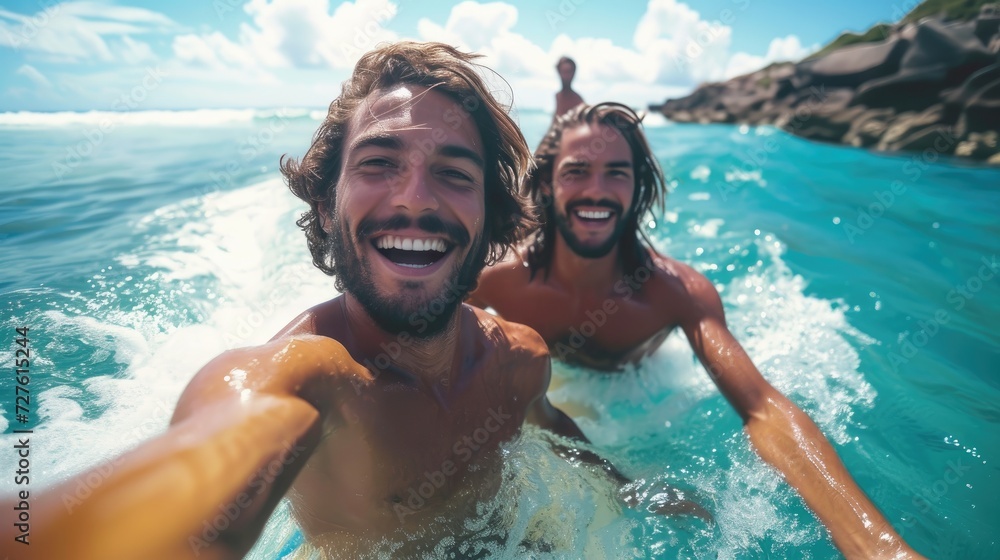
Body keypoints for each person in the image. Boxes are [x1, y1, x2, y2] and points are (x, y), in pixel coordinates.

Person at [0, 45, 688, 560]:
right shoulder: (309, 380)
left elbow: (546, 419)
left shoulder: (520, 358)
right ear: (326, 208)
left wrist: (629, 484)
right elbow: (205, 476)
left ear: (493, 222)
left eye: (452, 173)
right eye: (378, 162)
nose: (415, 197)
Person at [468, 102, 925, 559]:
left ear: (638, 186)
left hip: (646, 388)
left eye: (617, 173)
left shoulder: (676, 293)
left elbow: (762, 407)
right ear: (546, 183)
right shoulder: (498, 280)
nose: (596, 190)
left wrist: (880, 549)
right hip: (557, 394)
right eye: (577, 171)